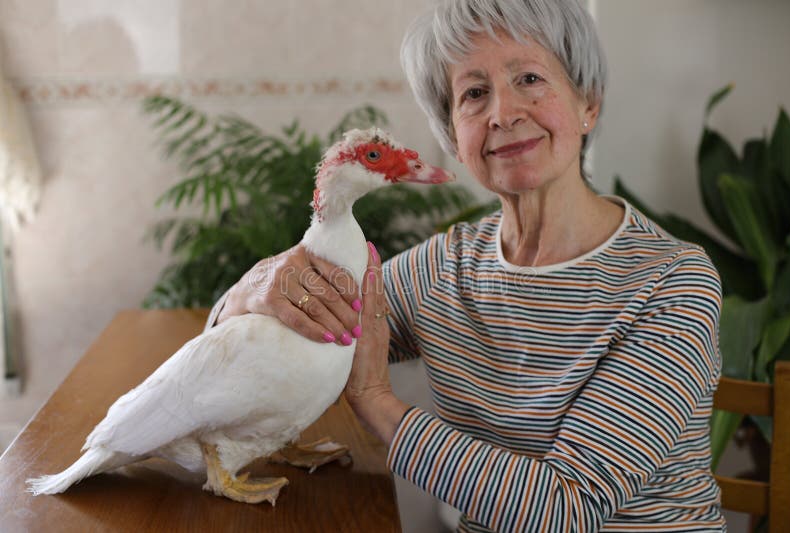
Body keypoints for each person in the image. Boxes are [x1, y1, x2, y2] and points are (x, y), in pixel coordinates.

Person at [205, 0, 725, 530]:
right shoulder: (445, 267)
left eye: (529, 78)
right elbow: (256, 334)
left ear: (587, 102)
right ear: (454, 134)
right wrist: (252, 292)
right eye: (474, 93)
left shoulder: (673, 283)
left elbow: (568, 509)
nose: (503, 112)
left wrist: (378, 404)